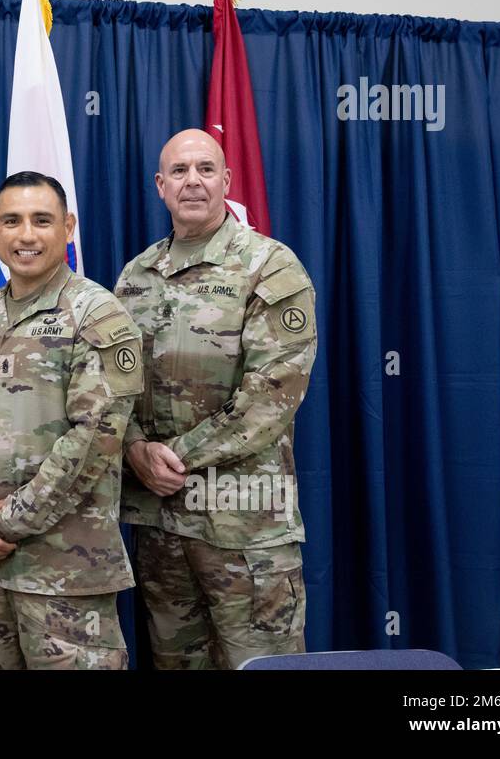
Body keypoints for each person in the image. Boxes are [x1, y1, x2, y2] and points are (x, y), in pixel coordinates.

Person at [114, 128, 317, 669]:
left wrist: (172, 458)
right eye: (179, 171)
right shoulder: (135, 277)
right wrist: (134, 449)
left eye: (206, 169)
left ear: (226, 180)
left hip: (243, 527)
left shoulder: (270, 267)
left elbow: (273, 395)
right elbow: (111, 386)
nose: (193, 181)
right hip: (161, 526)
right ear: (160, 186)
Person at [0, 171, 143, 669]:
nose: (26, 234)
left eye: (42, 220)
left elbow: (94, 438)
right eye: (13, 221)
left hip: (67, 572)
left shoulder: (97, 316)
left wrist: (4, 522)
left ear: (68, 227)